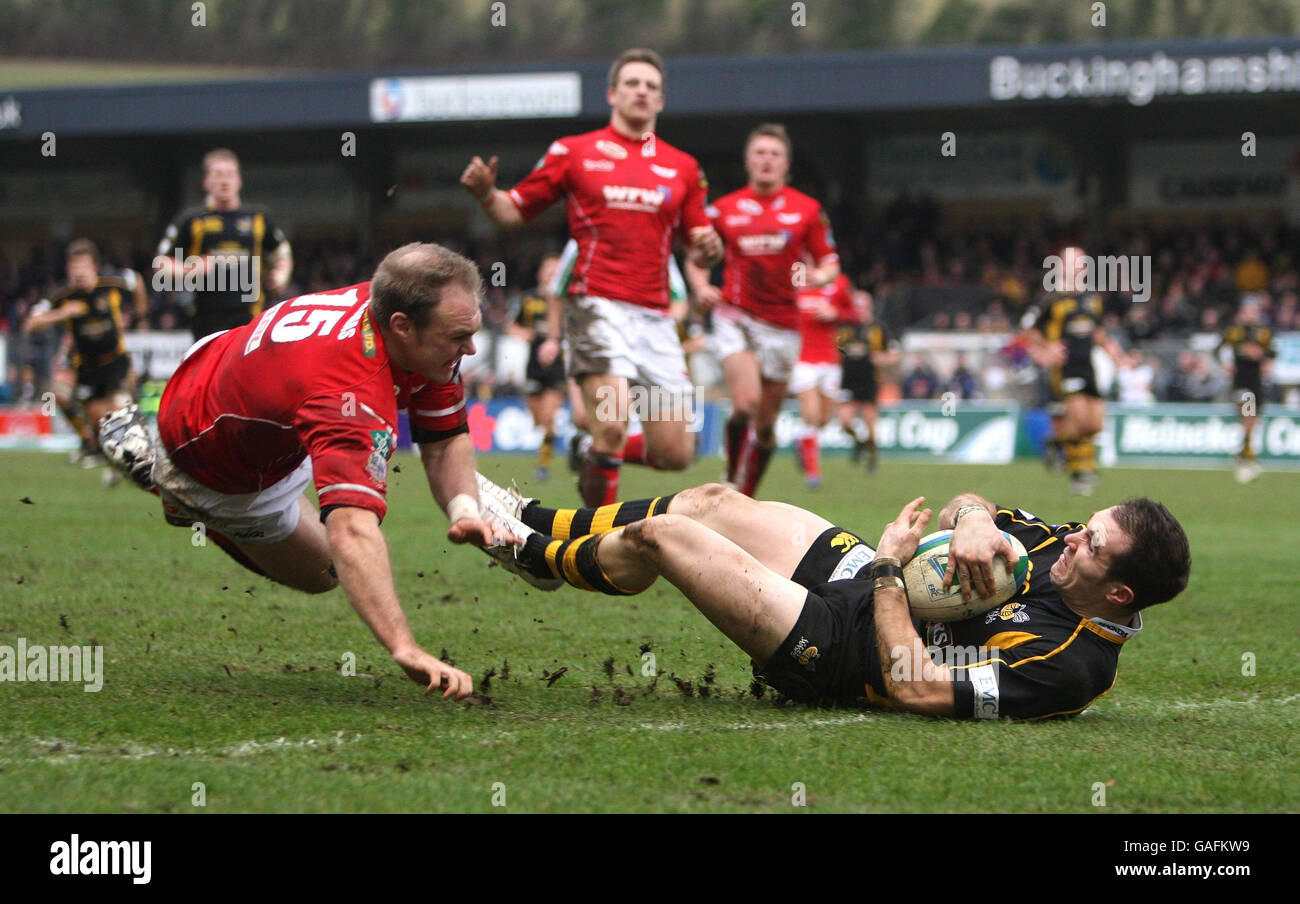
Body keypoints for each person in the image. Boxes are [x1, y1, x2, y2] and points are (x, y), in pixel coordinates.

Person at [100, 243, 515, 701]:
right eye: (459, 337)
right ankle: (170, 486)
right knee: (325, 572)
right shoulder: (348, 393)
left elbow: (443, 440)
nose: (471, 348)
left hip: (222, 366)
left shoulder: (399, 307)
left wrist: (463, 509)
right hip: (211, 459)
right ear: (402, 326)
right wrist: (404, 647)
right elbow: (352, 530)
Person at [476, 474, 1190, 720]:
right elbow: (965, 507)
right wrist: (973, 518)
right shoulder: (1058, 545)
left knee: (665, 539)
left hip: (846, 653)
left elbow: (916, 689)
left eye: (1091, 546)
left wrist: (885, 571)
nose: (1073, 540)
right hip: (868, 580)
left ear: (1120, 592)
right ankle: (535, 516)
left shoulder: (1069, 665)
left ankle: (520, 549)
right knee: (710, 502)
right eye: (1085, 527)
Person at [461, 48, 722, 506]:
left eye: (651, 86)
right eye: (633, 83)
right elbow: (513, 210)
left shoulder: (683, 167)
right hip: (596, 306)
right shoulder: (573, 152)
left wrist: (708, 248)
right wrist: (487, 194)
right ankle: (597, 544)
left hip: (657, 321)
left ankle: (590, 453)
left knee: (677, 453)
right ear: (612, 94)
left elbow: (698, 238)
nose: (642, 91)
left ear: (661, 101)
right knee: (612, 423)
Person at [686, 123, 840, 496]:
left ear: (786, 165)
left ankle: (743, 495)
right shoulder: (724, 209)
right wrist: (702, 286)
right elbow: (695, 258)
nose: (766, 160)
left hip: (784, 325)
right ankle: (729, 479)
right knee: (745, 402)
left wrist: (815, 276)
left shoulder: (807, 210)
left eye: (775, 154)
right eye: (760, 153)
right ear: (747, 162)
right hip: (735, 315)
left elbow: (830, 264)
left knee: (766, 426)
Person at [22, 239, 135, 480]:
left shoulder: (112, 285)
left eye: (83, 265)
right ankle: (92, 445)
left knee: (118, 407)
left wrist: (141, 314)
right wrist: (62, 314)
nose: (79, 272)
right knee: (61, 397)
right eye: (74, 267)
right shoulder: (64, 296)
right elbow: (32, 323)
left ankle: (123, 456)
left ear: (94, 265)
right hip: (86, 366)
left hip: (114, 361)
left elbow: (139, 284)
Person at [155, 148, 293, 341]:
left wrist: (280, 276)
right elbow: (162, 264)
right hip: (205, 319)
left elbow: (282, 252)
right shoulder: (192, 219)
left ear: (239, 180)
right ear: (206, 181)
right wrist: (188, 270)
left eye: (230, 174)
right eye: (218, 174)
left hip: (250, 317)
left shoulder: (258, 218)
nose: (224, 180)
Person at [1021, 247, 1125, 495]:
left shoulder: (1093, 299)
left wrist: (1117, 356)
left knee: (1095, 424)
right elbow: (1030, 332)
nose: (1078, 266)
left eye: (1080, 262)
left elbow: (1098, 333)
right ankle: (1081, 473)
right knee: (1078, 421)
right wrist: (1048, 350)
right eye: (1072, 262)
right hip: (1065, 368)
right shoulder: (1052, 300)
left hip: (1088, 366)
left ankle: (1057, 443)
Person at [791, 272, 856, 489]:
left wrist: (835, 312)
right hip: (802, 360)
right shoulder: (792, 280)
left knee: (824, 419)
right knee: (810, 415)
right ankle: (813, 474)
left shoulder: (838, 282)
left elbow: (855, 314)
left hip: (830, 360)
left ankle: (801, 440)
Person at [505, 253, 566, 481]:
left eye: (556, 270)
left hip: (558, 365)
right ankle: (550, 450)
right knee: (538, 420)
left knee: (550, 418)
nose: (551, 274)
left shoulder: (566, 301)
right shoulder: (528, 299)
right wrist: (526, 334)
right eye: (548, 270)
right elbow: (511, 326)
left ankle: (543, 466)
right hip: (533, 366)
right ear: (541, 273)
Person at [838, 290, 899, 470]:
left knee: (870, 423)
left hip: (870, 382)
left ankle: (872, 457)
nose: (860, 309)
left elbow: (895, 354)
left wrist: (882, 358)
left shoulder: (879, 328)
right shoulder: (845, 328)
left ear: (870, 307)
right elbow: (834, 348)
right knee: (845, 422)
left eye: (863, 306)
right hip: (848, 381)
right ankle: (858, 443)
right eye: (856, 306)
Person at [1218, 296, 1276, 483]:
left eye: (1254, 310)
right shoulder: (1233, 332)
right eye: (1248, 310)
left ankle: (1245, 456)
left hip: (1256, 382)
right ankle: (1245, 459)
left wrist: (1262, 355)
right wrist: (1224, 364)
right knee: (1249, 416)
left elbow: (1273, 352)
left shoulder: (1264, 332)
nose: (1251, 314)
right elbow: (1217, 349)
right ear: (1242, 312)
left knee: (1252, 420)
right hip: (1241, 382)